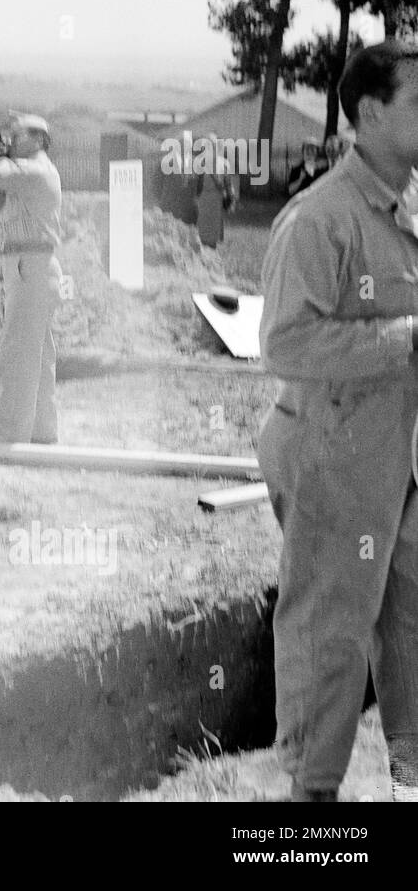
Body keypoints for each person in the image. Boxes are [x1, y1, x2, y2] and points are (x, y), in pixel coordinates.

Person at [257, 39, 418, 803]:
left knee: (409, 626)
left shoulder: (405, 206)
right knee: (333, 626)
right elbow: (284, 342)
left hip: (400, 458)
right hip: (332, 453)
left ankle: (409, 779)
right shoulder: (320, 219)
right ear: (371, 113)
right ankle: (311, 803)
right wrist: (404, 336)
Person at [0, 108, 63, 443]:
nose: (10, 140)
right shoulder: (28, 172)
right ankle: (41, 430)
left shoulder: (34, 170)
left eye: (17, 135)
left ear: (38, 139)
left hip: (29, 262)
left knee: (18, 351)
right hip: (32, 262)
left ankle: (9, 433)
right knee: (37, 352)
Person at [196, 132, 238, 248]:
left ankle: (211, 256)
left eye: (213, 145)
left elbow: (228, 183)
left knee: (213, 233)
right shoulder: (199, 163)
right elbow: (195, 184)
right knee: (201, 233)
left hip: (216, 200)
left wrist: (231, 199)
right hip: (203, 200)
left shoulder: (224, 163)